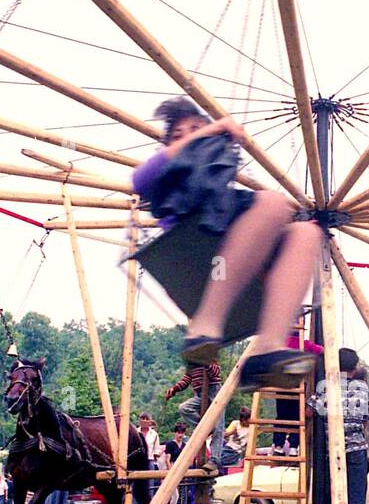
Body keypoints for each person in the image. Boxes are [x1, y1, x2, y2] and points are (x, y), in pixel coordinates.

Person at [131, 98, 323, 390]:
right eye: (179, 135)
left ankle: (267, 349)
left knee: (306, 233)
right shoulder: (159, 174)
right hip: (193, 255)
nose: (192, 137)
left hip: (235, 262)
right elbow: (140, 178)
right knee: (271, 203)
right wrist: (215, 127)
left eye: (196, 129)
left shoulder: (230, 201)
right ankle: (205, 324)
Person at [308, 348, 369, 504]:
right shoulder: (362, 388)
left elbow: (308, 412)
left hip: (331, 451)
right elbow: (364, 418)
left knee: (326, 497)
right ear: (354, 368)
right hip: (355, 449)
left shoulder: (326, 386)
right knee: (355, 498)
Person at [166, 361, 224, 473]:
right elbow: (187, 378)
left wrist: (206, 364)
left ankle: (214, 460)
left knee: (218, 427)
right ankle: (206, 428)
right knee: (184, 408)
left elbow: (216, 372)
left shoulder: (209, 355)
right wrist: (175, 389)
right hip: (200, 394)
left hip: (214, 391)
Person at [164, 422, 189, 504]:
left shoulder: (184, 445)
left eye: (182, 433)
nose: (180, 435)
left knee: (182, 496)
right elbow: (167, 460)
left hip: (182, 470)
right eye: (179, 432)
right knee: (175, 495)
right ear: (175, 433)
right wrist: (171, 472)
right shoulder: (170, 444)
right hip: (173, 469)